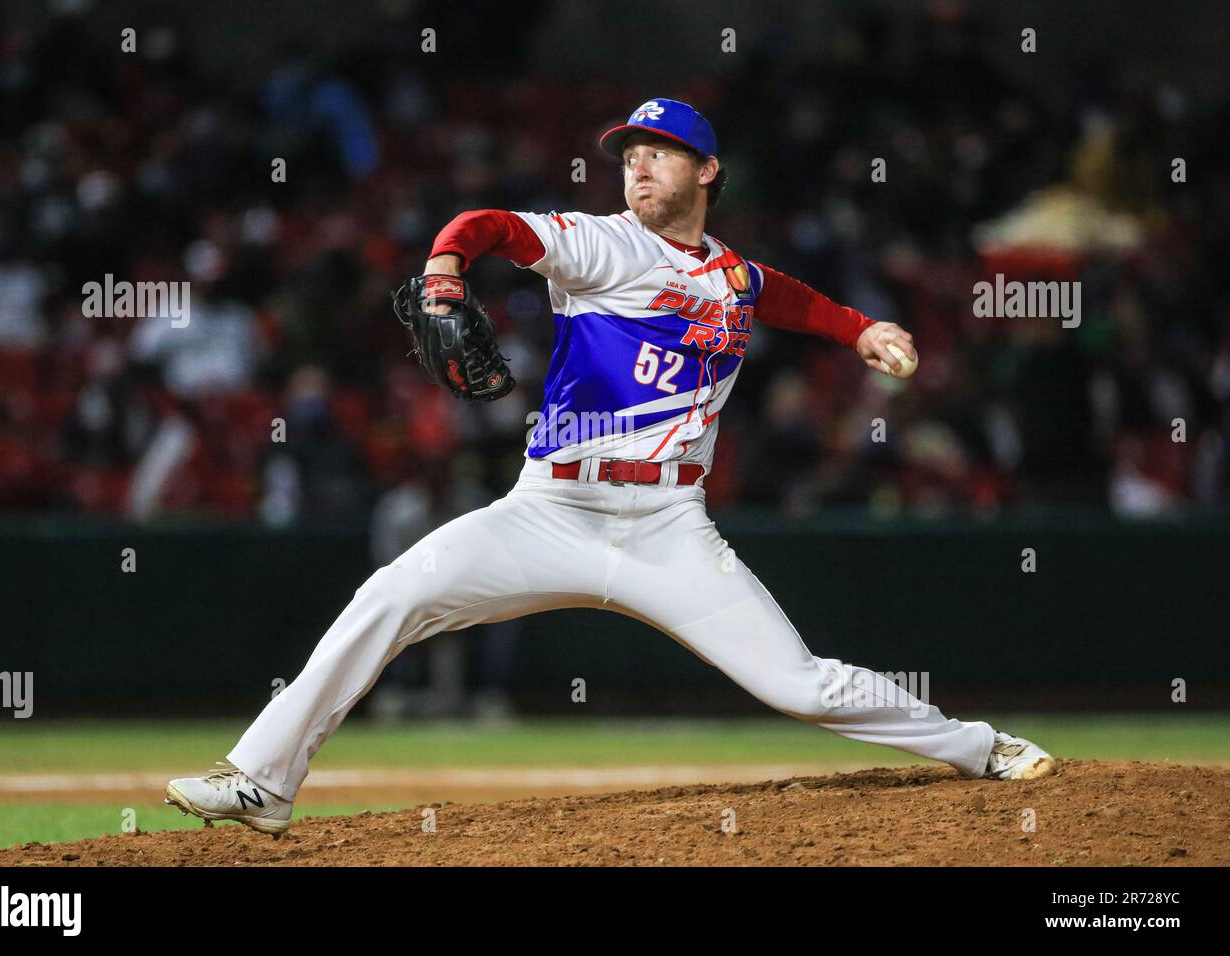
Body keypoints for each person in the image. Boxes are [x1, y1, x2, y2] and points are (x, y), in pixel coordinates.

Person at [165, 98, 1056, 836]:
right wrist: (444, 270)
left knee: (797, 683)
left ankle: (981, 747)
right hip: (550, 510)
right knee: (388, 596)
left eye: (660, 153)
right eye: (629, 154)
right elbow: (488, 226)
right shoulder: (601, 244)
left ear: (707, 172)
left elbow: (780, 294)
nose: (638, 167)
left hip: (671, 527)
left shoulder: (732, 277)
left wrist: (860, 328)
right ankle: (262, 781)